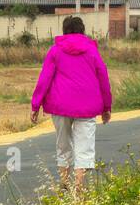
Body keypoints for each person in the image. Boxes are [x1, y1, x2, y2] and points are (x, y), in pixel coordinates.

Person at [29, 15, 112, 192]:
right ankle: (79, 191)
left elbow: (44, 79)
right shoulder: (92, 51)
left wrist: (35, 105)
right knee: (84, 149)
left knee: (63, 145)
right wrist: (106, 107)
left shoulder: (55, 51)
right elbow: (103, 78)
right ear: (83, 31)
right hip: (87, 107)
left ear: (64, 31)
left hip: (60, 106)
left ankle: (64, 185)